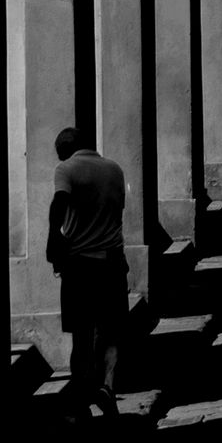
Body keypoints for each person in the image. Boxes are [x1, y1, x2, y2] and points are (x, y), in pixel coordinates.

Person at [46, 127, 129, 421]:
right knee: (112, 331)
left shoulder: (66, 169)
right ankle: (108, 386)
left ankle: (81, 398)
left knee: (81, 335)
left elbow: (59, 203)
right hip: (113, 262)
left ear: (64, 150)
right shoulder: (114, 169)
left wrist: (53, 243)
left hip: (80, 265)